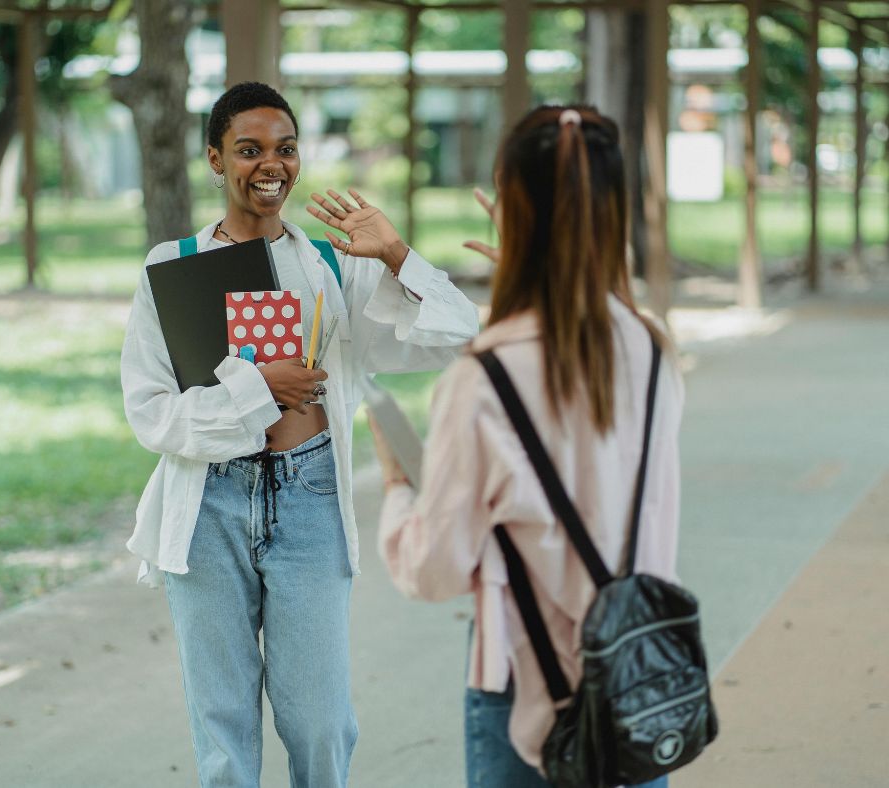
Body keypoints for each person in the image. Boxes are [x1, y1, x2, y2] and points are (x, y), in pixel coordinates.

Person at [120, 81, 479, 788]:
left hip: (309, 497)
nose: (270, 164)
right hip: (208, 504)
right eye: (248, 149)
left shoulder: (333, 264)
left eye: (285, 149)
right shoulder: (172, 266)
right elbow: (152, 414)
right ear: (215, 159)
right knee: (222, 727)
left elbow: (457, 336)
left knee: (320, 722)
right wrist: (259, 390)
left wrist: (397, 255)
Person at [371, 104, 683, 787]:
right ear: (612, 213)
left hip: (521, 686)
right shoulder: (652, 351)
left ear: (511, 213)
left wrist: (397, 486)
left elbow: (434, 570)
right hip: (641, 677)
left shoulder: (484, 379)